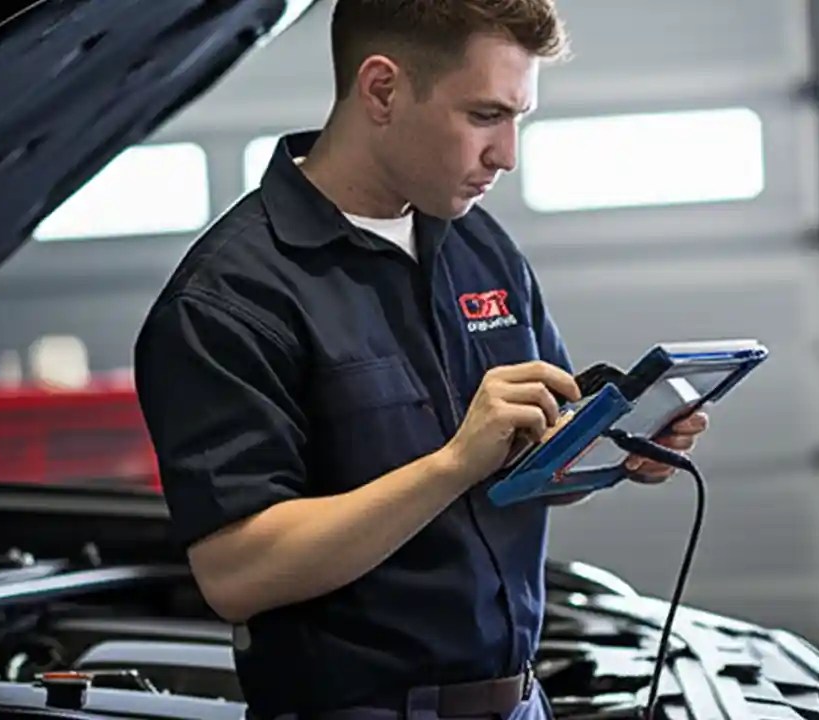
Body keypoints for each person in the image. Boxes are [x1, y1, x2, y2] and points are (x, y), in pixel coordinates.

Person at [132, 1, 709, 719]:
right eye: (484, 116)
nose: (508, 154)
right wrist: (452, 463)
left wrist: (618, 448)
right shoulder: (229, 299)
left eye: (517, 118)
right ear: (381, 90)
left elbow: (531, 465)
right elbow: (237, 573)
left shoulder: (479, 247)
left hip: (519, 702)